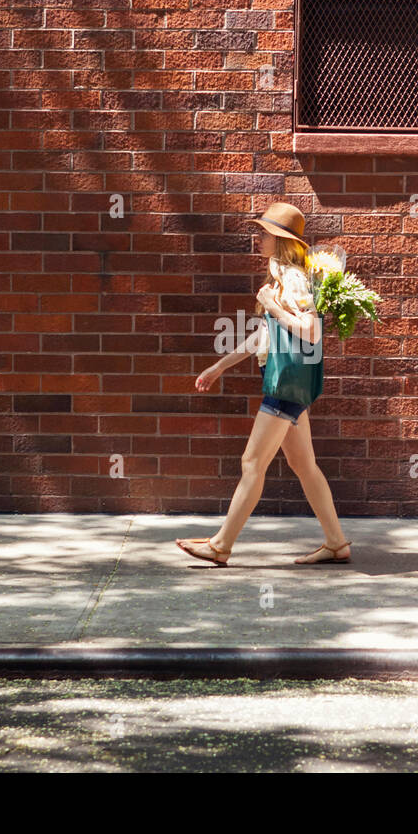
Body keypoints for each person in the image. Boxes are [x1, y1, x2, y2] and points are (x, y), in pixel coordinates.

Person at [176, 202, 353, 567]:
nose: (258, 239)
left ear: (279, 240)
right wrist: (219, 367)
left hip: (285, 385)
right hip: (291, 384)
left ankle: (221, 545)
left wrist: (272, 305)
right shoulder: (281, 278)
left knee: (251, 461)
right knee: (305, 466)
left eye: (263, 234)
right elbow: (265, 337)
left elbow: (311, 331)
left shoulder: (291, 278)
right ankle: (336, 543)